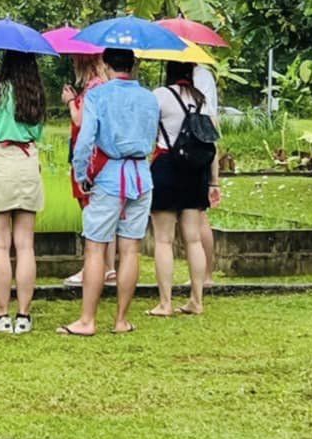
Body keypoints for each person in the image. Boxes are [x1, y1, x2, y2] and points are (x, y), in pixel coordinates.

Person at [61, 47, 158, 337]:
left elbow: (86, 140)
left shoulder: (98, 96)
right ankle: (121, 319)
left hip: (110, 176)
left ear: (105, 63)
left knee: (96, 247)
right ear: (134, 65)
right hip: (141, 175)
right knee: (130, 249)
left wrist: (81, 176)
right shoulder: (149, 98)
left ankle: (88, 320)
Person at [0, 52, 47, 335]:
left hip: (0, 161)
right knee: (26, 245)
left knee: (0, 247)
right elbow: (37, 133)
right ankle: (24, 316)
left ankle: (2, 315)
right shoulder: (35, 93)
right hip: (27, 161)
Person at [147, 64, 217, 317]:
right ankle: (196, 300)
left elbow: (148, 134)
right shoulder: (201, 99)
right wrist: (213, 181)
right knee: (193, 238)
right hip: (196, 170)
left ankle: (165, 302)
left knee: (163, 239)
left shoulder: (160, 96)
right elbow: (211, 143)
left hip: (166, 166)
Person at [62, 52, 114, 287]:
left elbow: (80, 121)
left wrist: (71, 102)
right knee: (104, 213)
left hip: (89, 157)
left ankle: (92, 267)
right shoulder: (105, 86)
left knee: (91, 212)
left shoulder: (93, 88)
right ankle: (109, 267)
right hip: (101, 156)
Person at [192, 62, 223, 285]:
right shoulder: (203, 73)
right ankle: (204, 274)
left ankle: (206, 275)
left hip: (193, 143)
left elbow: (209, 117)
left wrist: (215, 179)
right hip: (199, 144)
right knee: (197, 216)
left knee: (199, 216)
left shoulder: (198, 74)